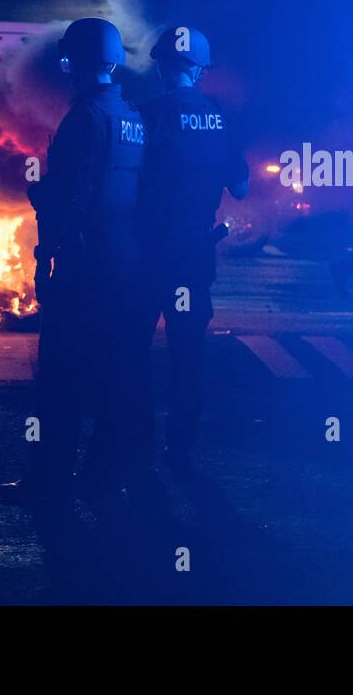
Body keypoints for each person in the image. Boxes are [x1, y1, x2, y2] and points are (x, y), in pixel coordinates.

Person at [27, 17, 149, 501]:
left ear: (76, 63)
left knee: (58, 377)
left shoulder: (83, 117)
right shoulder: (133, 117)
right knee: (111, 372)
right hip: (124, 264)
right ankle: (103, 473)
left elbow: (69, 194)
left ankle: (49, 480)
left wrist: (42, 203)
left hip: (83, 264)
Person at [135, 27, 248, 466]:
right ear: (199, 70)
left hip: (147, 255)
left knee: (132, 348)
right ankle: (179, 445)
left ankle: (134, 441)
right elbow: (239, 187)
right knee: (188, 353)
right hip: (195, 256)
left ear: (162, 66)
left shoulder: (147, 114)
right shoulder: (219, 116)